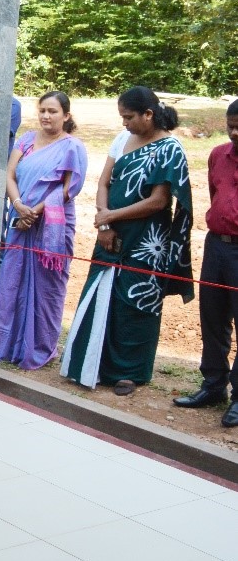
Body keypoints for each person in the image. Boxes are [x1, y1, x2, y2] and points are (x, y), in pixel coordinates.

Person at [62, 86, 193, 394]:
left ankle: (129, 373)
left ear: (149, 114)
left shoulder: (170, 148)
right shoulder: (122, 140)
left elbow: (159, 201)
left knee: (135, 304)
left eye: (129, 117)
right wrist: (104, 223)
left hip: (147, 241)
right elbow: (105, 182)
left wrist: (112, 217)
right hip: (110, 235)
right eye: (122, 117)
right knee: (100, 294)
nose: (125, 124)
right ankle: (94, 363)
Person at [0, 92, 88, 370]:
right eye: (43, 110)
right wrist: (20, 205)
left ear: (66, 116)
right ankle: (7, 345)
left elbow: (69, 187)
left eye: (53, 111)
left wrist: (36, 211)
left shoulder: (72, 147)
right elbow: (9, 175)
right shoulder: (25, 140)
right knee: (11, 281)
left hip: (52, 225)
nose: (46, 116)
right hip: (20, 219)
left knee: (48, 287)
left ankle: (40, 347)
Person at [175, 100, 238, 425]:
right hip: (217, 246)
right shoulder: (217, 155)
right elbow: (216, 195)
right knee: (213, 317)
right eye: (230, 125)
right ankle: (213, 385)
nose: (234, 131)